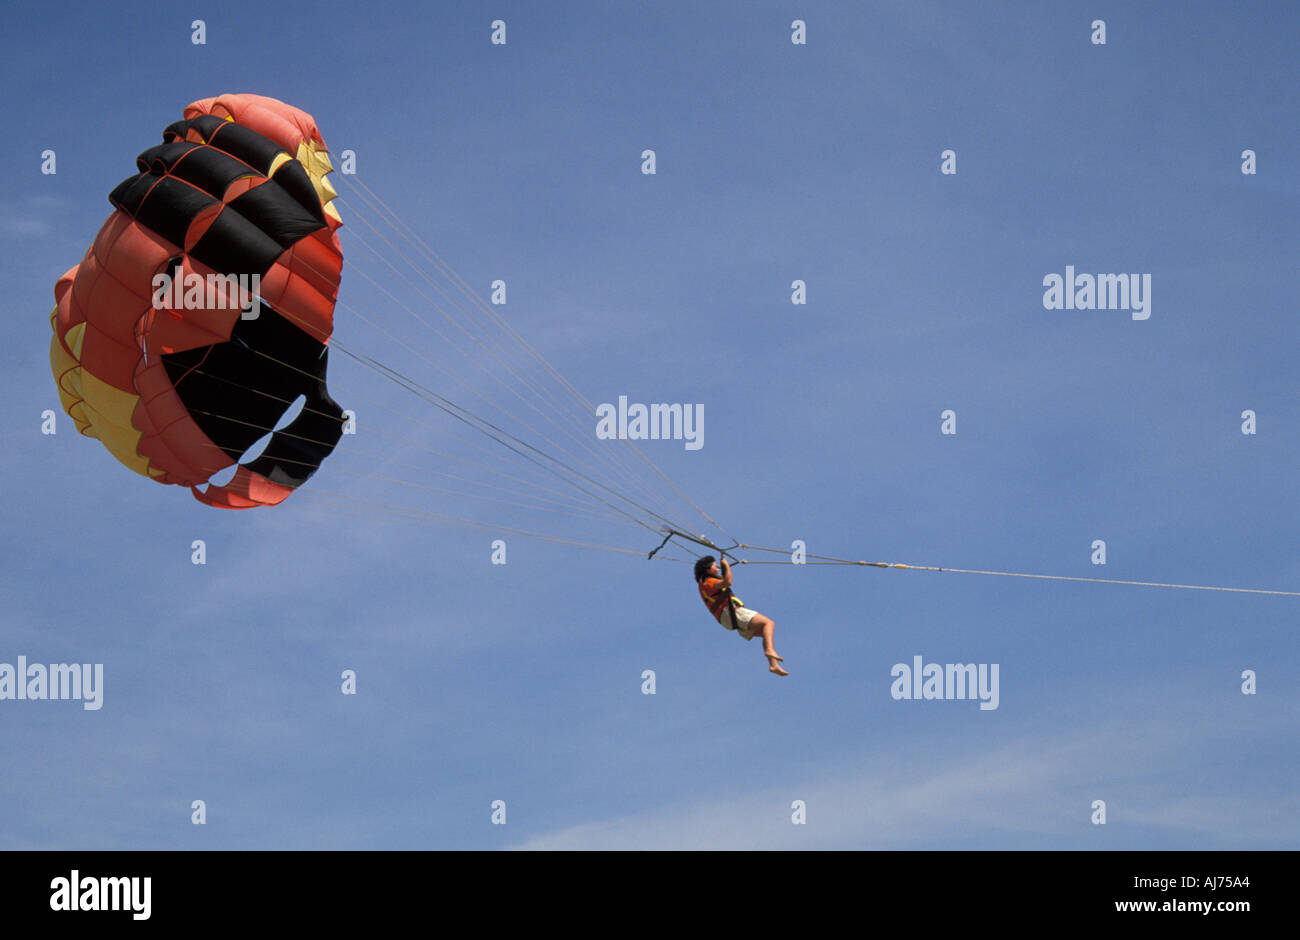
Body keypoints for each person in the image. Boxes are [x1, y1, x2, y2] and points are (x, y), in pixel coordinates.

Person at [694, 555, 788, 676]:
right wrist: (726, 566)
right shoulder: (708, 581)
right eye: (714, 566)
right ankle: (770, 650)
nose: (717, 568)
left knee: (765, 632)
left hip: (726, 619)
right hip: (731, 612)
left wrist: (725, 569)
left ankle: (773, 665)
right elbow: (728, 582)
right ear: (708, 569)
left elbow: (722, 583)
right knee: (768, 623)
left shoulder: (704, 583)